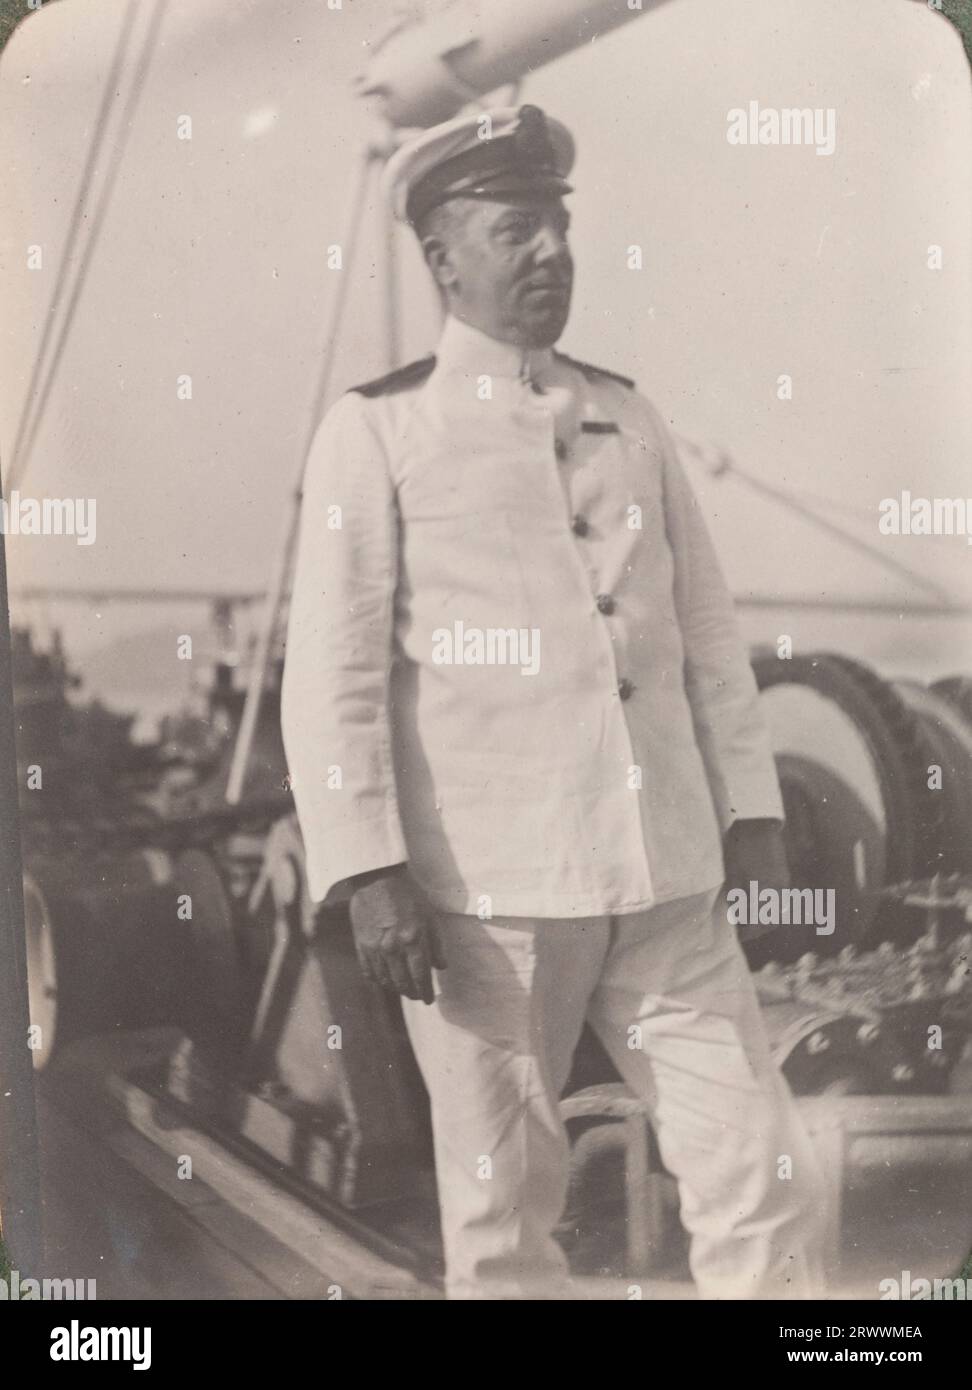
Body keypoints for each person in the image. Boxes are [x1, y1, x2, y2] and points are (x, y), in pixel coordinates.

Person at [281, 104, 826, 1300]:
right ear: (443, 260)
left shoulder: (629, 416)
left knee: (759, 1164)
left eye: (557, 230)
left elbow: (707, 635)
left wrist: (755, 810)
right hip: (489, 894)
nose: (549, 255)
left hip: (669, 870)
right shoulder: (377, 431)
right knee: (504, 1212)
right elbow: (333, 672)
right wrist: (369, 871)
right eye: (515, 230)